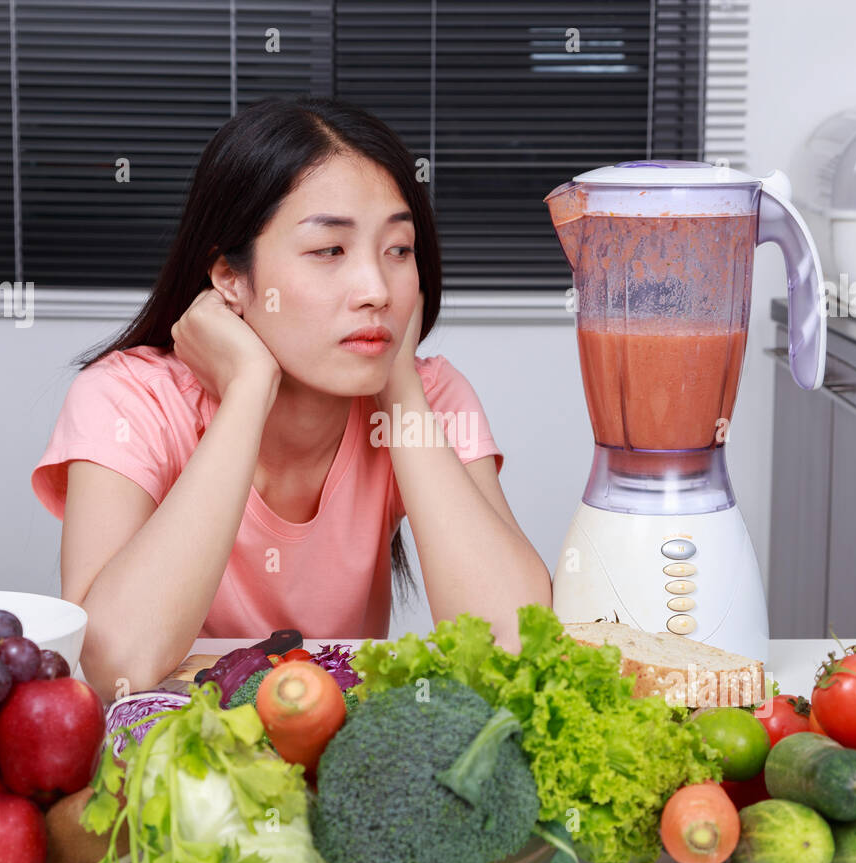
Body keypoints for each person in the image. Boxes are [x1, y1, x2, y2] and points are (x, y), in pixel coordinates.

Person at [31, 96, 551, 700]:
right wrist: (248, 389)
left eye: (399, 250)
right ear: (230, 277)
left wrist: (402, 388)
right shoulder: (126, 399)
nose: (376, 290)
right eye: (330, 250)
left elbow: (514, 645)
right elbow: (110, 664)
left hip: (337, 760)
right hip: (173, 764)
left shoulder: (428, 396)